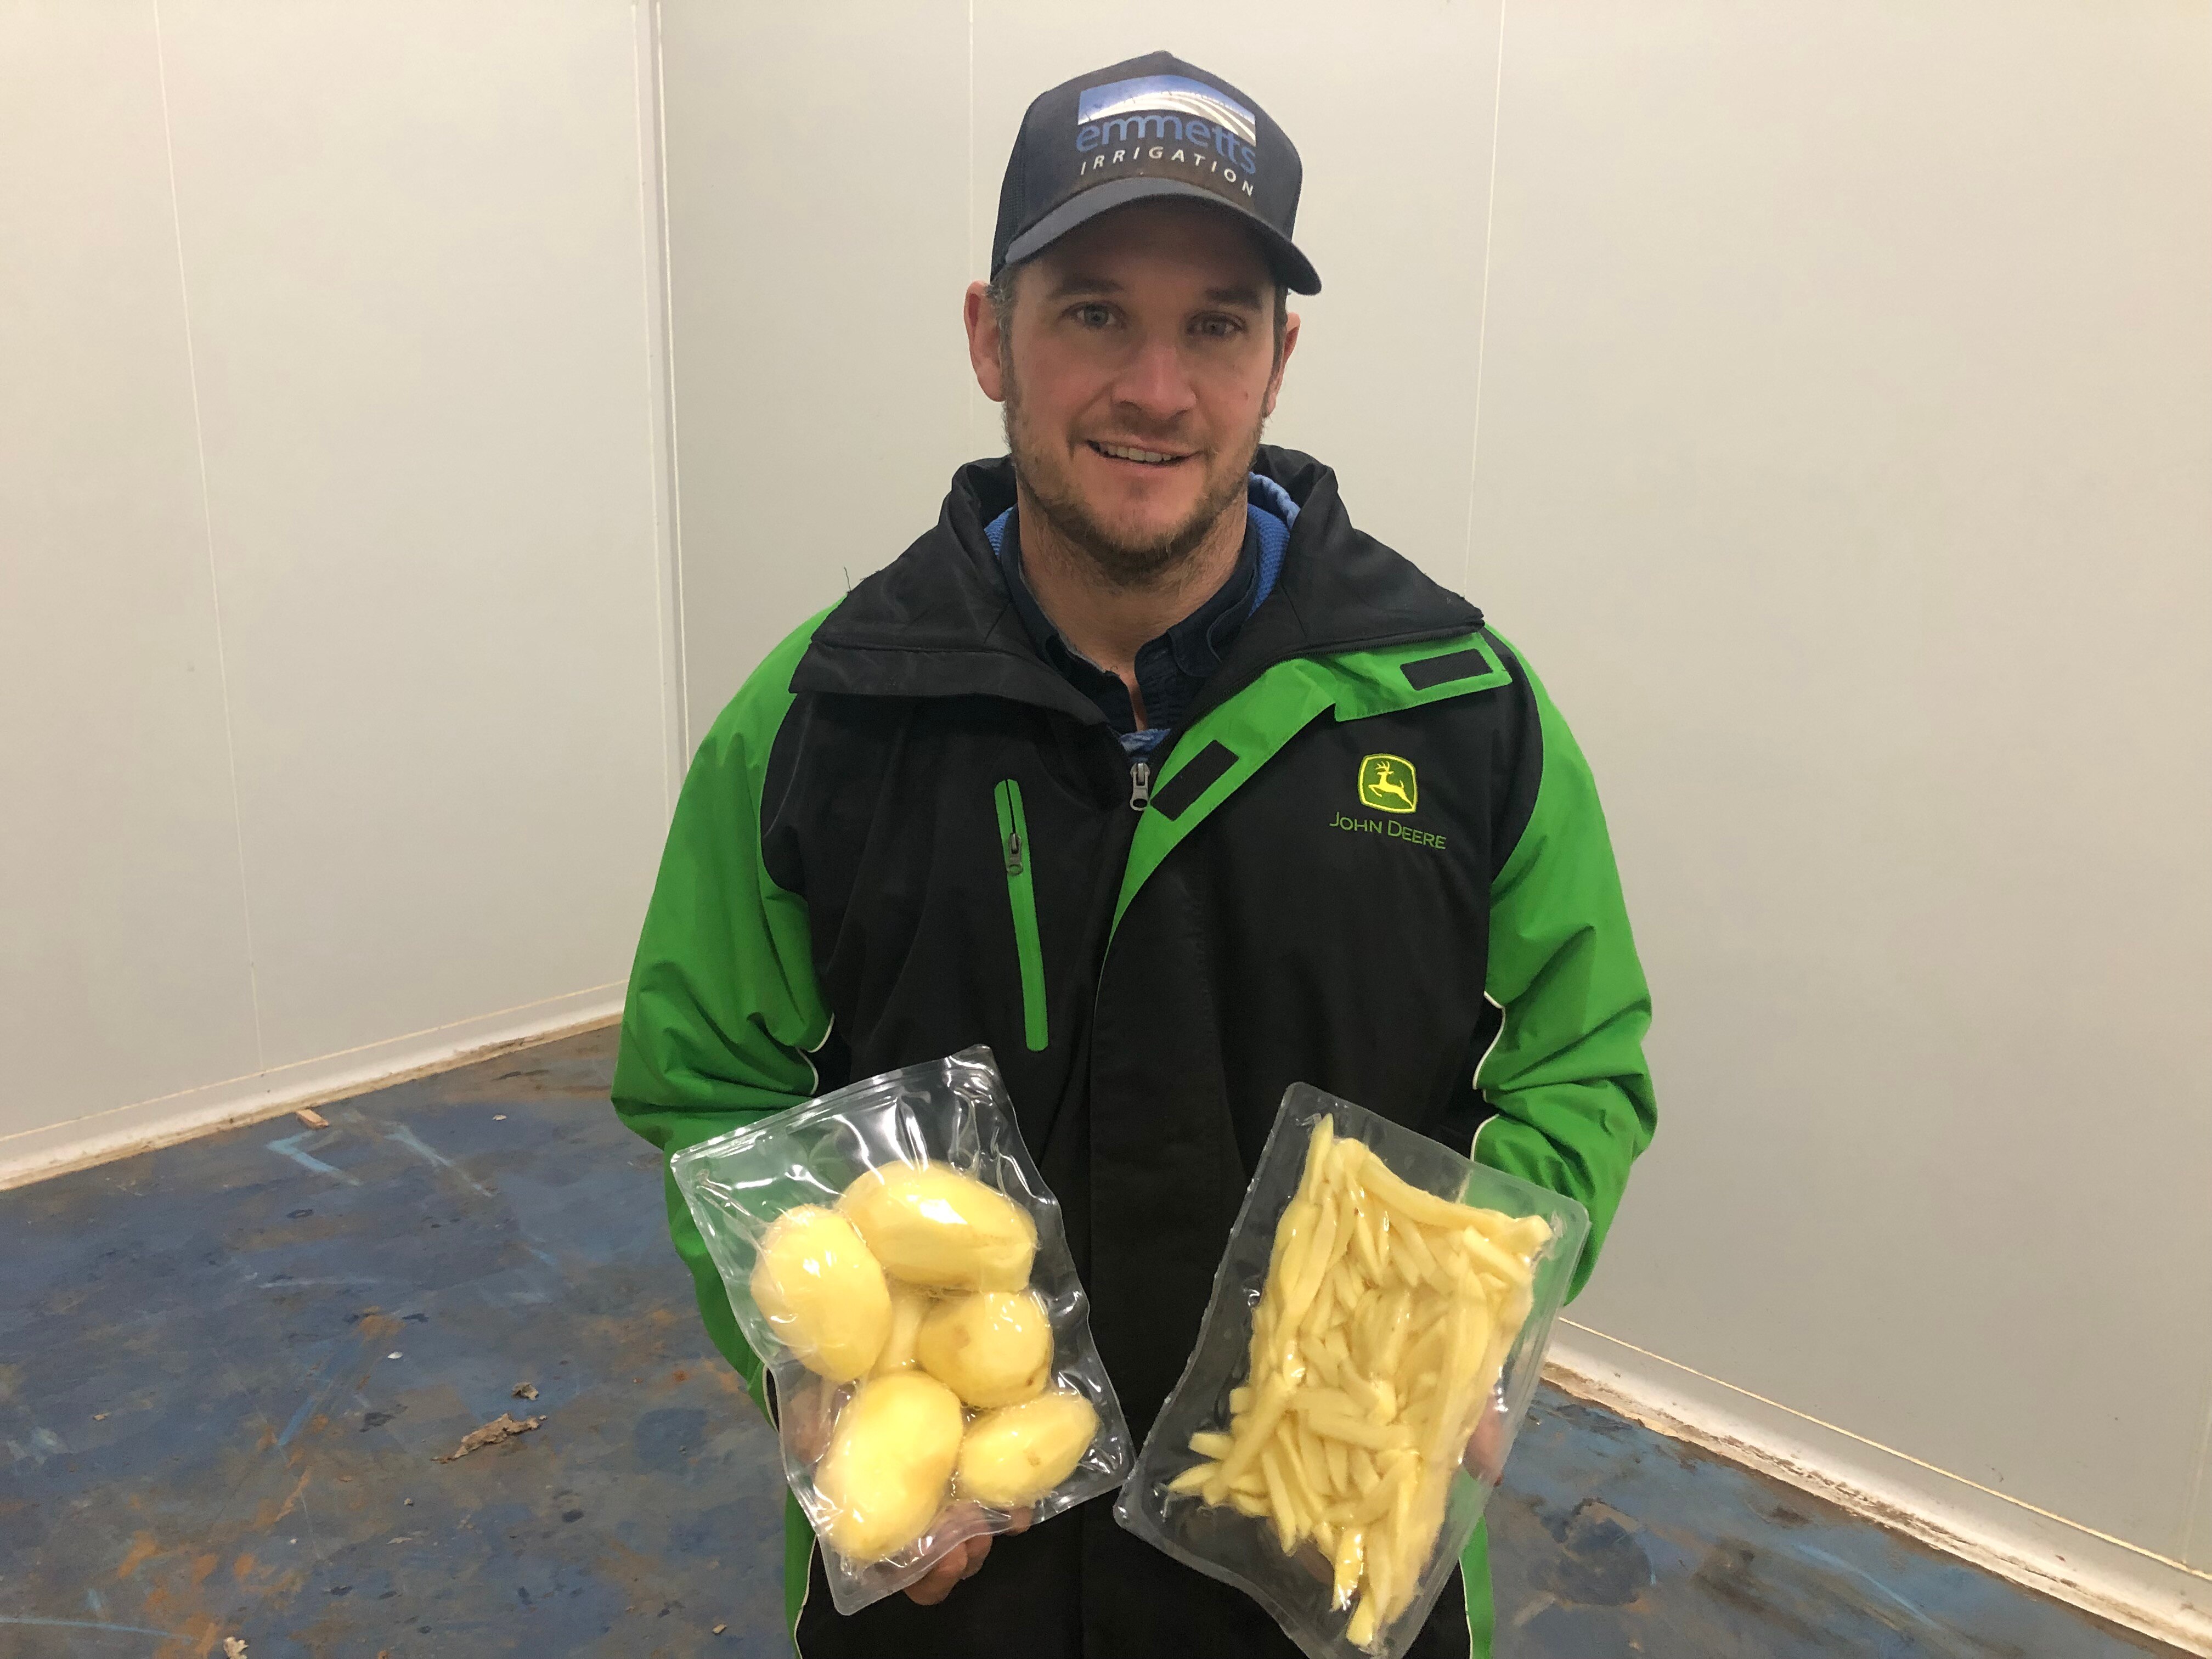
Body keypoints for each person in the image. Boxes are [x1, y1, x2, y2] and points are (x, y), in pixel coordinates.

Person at [612, 49, 1656, 1659]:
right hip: (966, 1568)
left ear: (1279, 360)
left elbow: (1583, 1059)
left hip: (1326, 1554)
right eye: (1093, 310)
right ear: (990, 337)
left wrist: (1467, 1325)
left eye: (1215, 325)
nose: (1155, 390)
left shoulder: (1461, 712)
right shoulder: (825, 714)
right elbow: (702, 1083)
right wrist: (811, 1369)